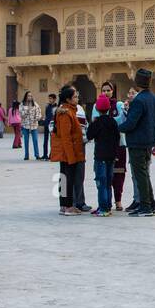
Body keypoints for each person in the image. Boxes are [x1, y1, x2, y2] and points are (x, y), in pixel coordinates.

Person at [117, 68, 155, 216]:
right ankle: (151, 203)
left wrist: (116, 127)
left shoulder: (139, 100)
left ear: (137, 81)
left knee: (140, 175)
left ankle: (146, 206)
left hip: (137, 142)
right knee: (144, 174)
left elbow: (131, 123)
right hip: (148, 141)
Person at [52, 85, 89, 215]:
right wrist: (71, 157)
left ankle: (63, 205)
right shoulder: (65, 113)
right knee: (67, 179)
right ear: (68, 99)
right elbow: (66, 137)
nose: (77, 99)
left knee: (64, 178)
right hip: (68, 153)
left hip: (68, 152)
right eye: (75, 97)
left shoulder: (68, 111)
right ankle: (67, 206)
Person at [86, 93, 120, 216]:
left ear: (97, 109)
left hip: (100, 156)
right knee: (108, 182)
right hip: (111, 156)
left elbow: (89, 136)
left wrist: (91, 124)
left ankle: (103, 208)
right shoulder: (113, 122)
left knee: (101, 182)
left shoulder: (97, 122)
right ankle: (108, 207)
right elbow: (117, 138)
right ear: (108, 108)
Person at [21, 92, 42, 160]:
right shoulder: (22, 104)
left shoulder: (35, 104)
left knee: (35, 140)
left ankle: (37, 155)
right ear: (26, 97)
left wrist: (38, 117)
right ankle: (26, 155)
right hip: (25, 124)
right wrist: (28, 109)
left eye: (31, 96)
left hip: (34, 125)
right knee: (26, 140)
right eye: (28, 96)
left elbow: (39, 112)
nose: (30, 97)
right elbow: (21, 114)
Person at [43, 92, 58, 160]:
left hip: (52, 125)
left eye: (51, 98)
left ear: (54, 99)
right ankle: (44, 154)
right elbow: (46, 115)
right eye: (49, 98)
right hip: (46, 124)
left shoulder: (57, 107)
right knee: (45, 140)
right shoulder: (47, 106)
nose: (49, 100)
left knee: (52, 141)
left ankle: (51, 154)